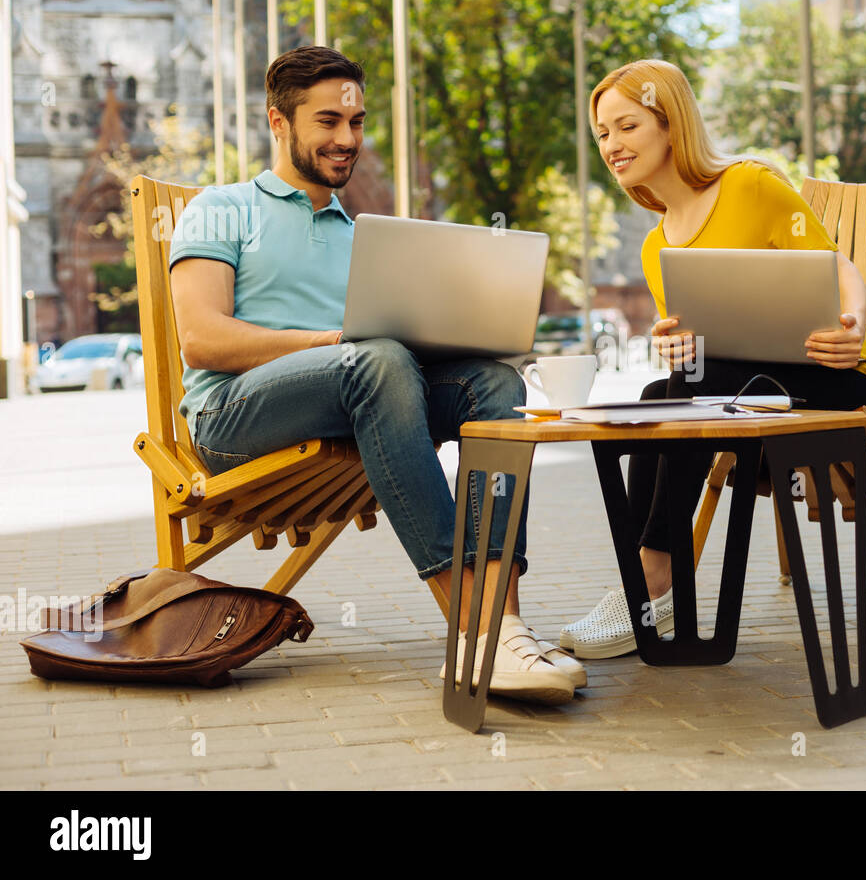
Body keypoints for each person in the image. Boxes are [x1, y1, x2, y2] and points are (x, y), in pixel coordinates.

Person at [168, 46, 582, 703]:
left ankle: (503, 627)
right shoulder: (223, 209)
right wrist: (333, 342)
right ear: (278, 121)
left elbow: (384, 350)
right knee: (377, 359)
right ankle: (479, 634)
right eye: (327, 121)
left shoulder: (365, 234)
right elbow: (201, 340)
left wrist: (468, 335)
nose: (346, 139)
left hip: (353, 396)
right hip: (230, 424)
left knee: (494, 384)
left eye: (357, 124)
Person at [559, 58, 866, 659]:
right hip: (750, 400)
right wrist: (675, 345)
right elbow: (700, 349)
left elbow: (837, 264)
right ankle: (646, 579)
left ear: (671, 124)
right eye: (603, 134)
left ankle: (654, 585)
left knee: (693, 385)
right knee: (658, 393)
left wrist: (854, 321)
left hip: (844, 382)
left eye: (627, 126)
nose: (612, 145)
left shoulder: (748, 184)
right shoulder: (656, 244)